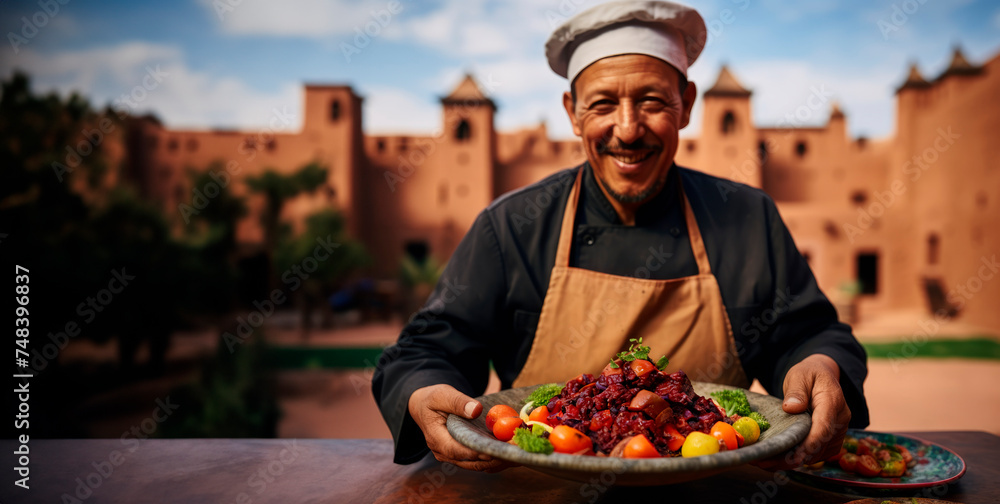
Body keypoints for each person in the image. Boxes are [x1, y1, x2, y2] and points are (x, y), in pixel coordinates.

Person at [372, 0, 868, 472]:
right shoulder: (510, 226)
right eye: (603, 104)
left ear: (687, 104)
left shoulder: (747, 217)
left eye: (652, 101)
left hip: (709, 491)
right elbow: (425, 351)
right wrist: (422, 391)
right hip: (540, 492)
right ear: (572, 111)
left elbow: (810, 335)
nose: (627, 130)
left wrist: (820, 365)